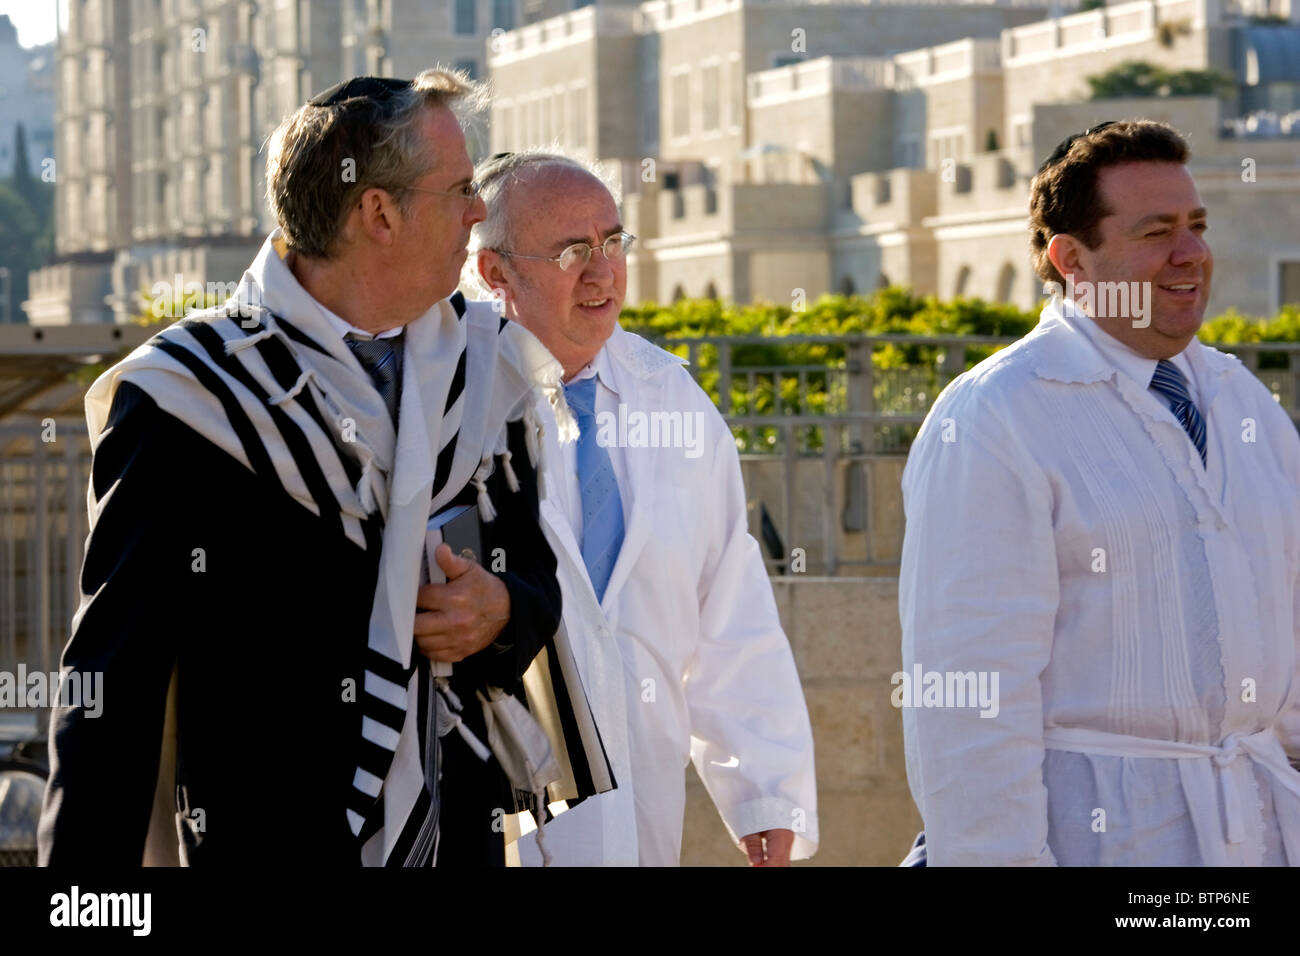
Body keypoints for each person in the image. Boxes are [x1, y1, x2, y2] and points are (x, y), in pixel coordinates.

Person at [38, 71, 607, 867]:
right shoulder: (187, 396)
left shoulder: (488, 369)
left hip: (459, 838)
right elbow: (114, 677)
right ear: (378, 212)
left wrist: (503, 609)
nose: (479, 212)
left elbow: (536, 585)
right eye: (459, 190)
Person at [899, 119, 1300, 866]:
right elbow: (970, 700)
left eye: (1197, 226)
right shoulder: (996, 418)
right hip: (1102, 839)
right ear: (1072, 259)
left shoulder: (1243, 403)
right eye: (1157, 233)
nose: (1192, 254)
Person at [460, 150, 818, 867]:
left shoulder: (674, 402)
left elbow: (732, 615)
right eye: (571, 251)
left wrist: (764, 795)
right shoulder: (447, 404)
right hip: (491, 821)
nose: (602, 272)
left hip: (640, 816)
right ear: (496, 272)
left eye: (613, 242)